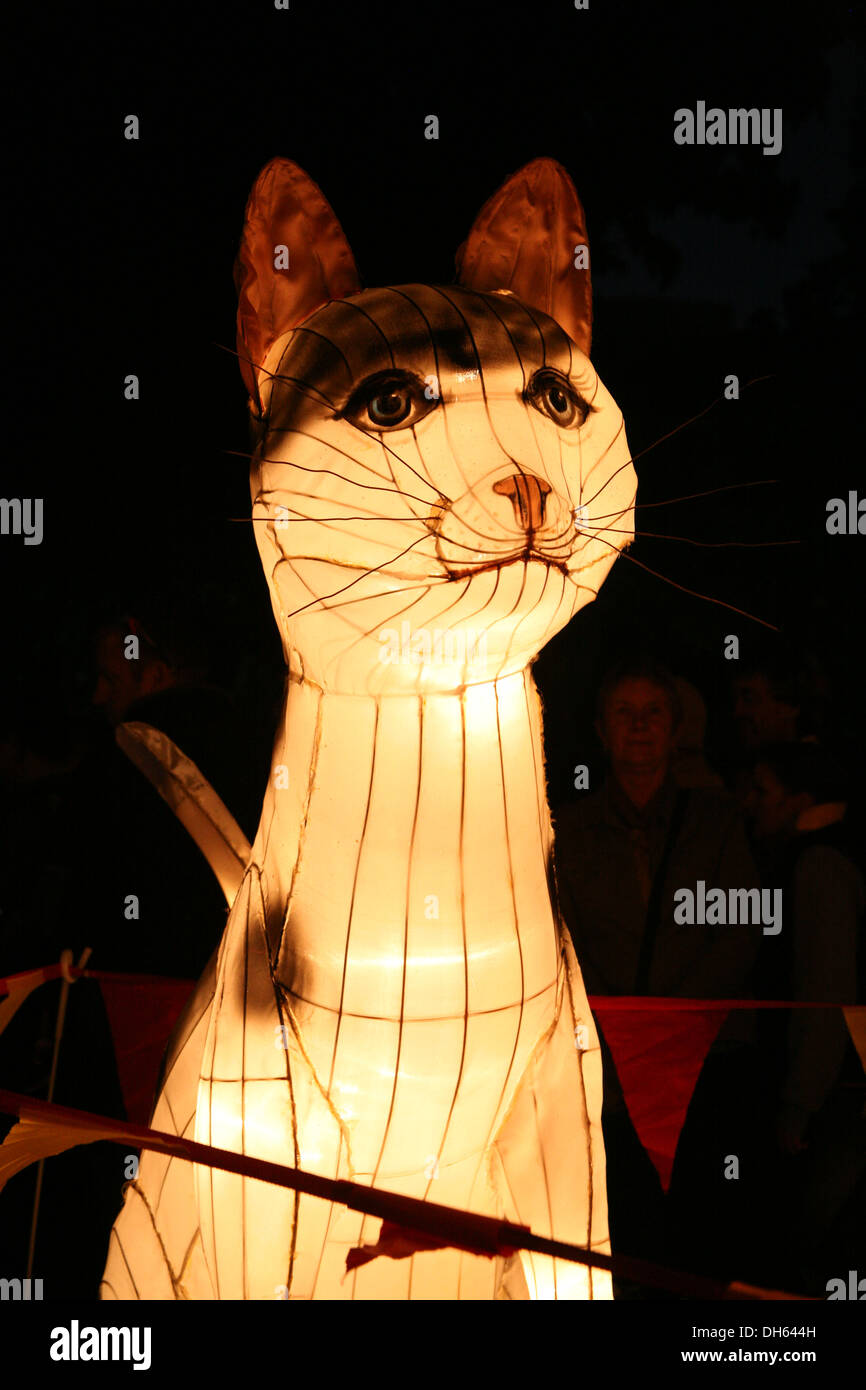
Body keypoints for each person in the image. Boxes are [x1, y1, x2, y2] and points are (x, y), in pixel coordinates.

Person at [553, 658, 763, 1290]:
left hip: (707, 1063)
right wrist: (616, 1023)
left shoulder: (719, 822)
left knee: (707, 1235)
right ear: (600, 729)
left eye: (654, 714)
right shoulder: (568, 831)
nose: (640, 727)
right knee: (628, 1233)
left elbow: (743, 928)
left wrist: (671, 1023)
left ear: (675, 732)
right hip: (610, 1069)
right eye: (625, 712)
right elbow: (561, 937)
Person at [743, 742, 866, 1293]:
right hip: (840, 1084)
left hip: (837, 1092)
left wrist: (800, 1100)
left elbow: (827, 990)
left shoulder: (817, 865)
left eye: (762, 791)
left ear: (800, 800)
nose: (750, 803)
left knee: (809, 1246)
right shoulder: (832, 855)